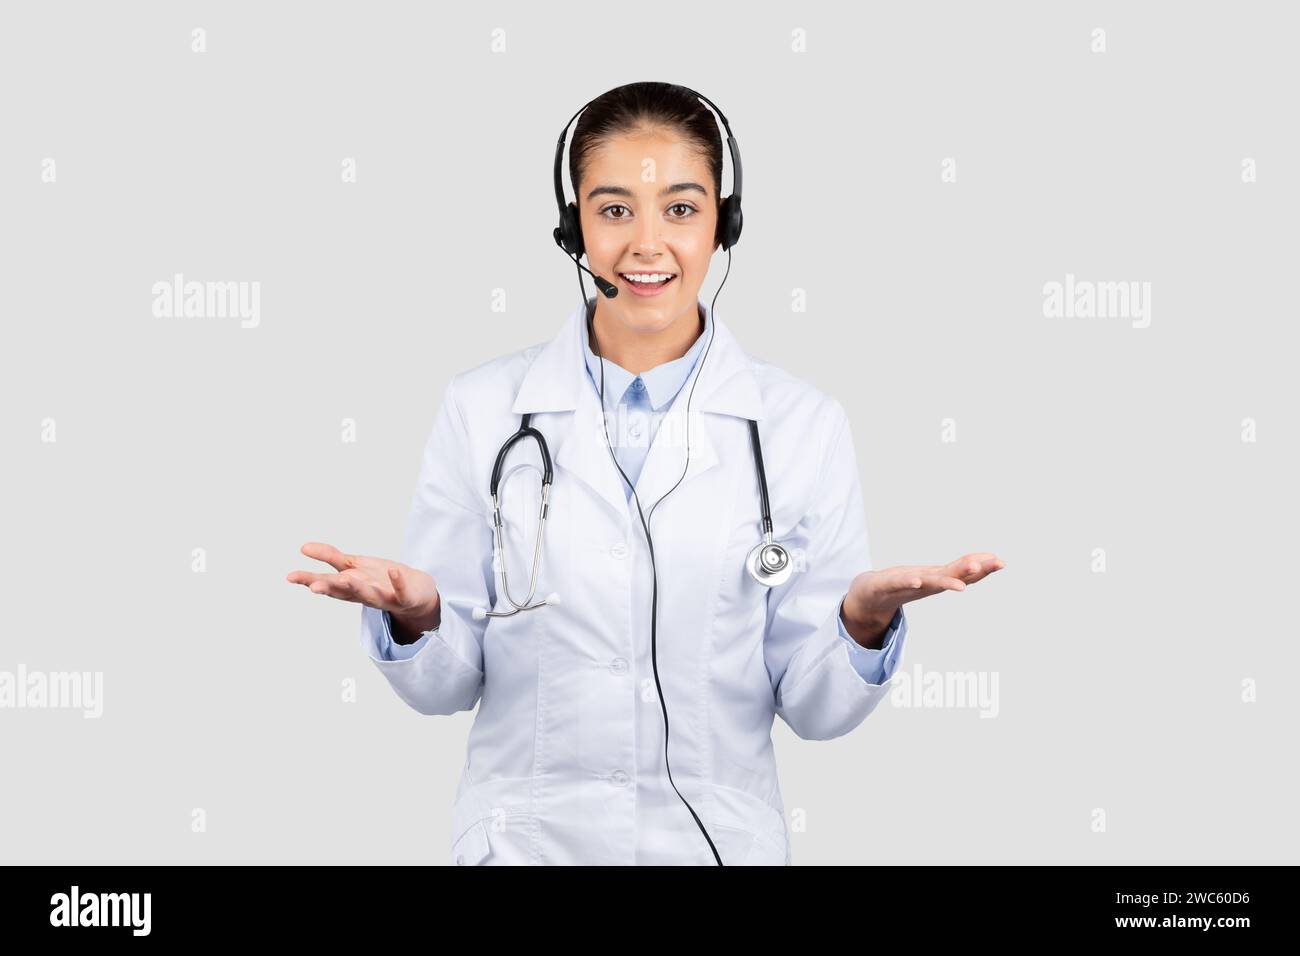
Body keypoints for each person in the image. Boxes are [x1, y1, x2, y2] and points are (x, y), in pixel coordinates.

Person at [287, 81, 1004, 865]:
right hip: (528, 847)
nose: (648, 245)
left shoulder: (801, 426)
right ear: (574, 230)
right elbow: (443, 687)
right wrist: (418, 619)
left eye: (683, 209)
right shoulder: (483, 409)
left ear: (724, 223)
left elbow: (815, 706)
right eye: (615, 209)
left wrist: (861, 623)